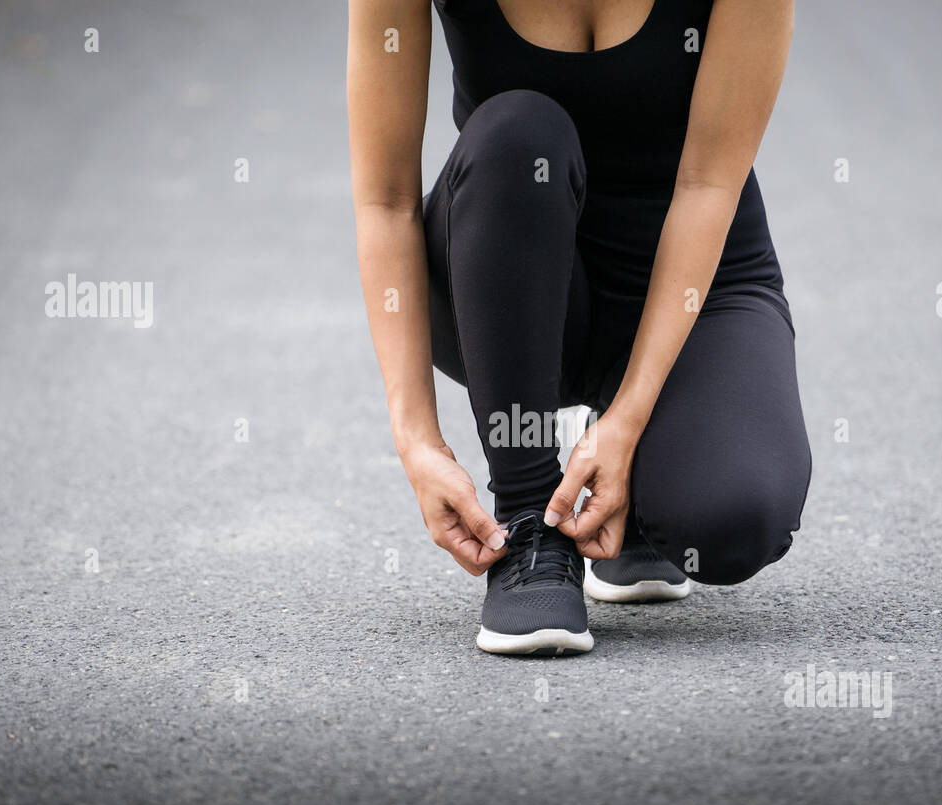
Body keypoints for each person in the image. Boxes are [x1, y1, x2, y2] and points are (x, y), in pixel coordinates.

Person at [347, 0, 811, 655]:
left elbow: (709, 185)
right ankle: (531, 524)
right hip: (502, 279)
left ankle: (639, 472)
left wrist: (629, 419)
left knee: (732, 518)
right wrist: (416, 437)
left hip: (691, 290)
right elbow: (384, 200)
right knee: (519, 129)